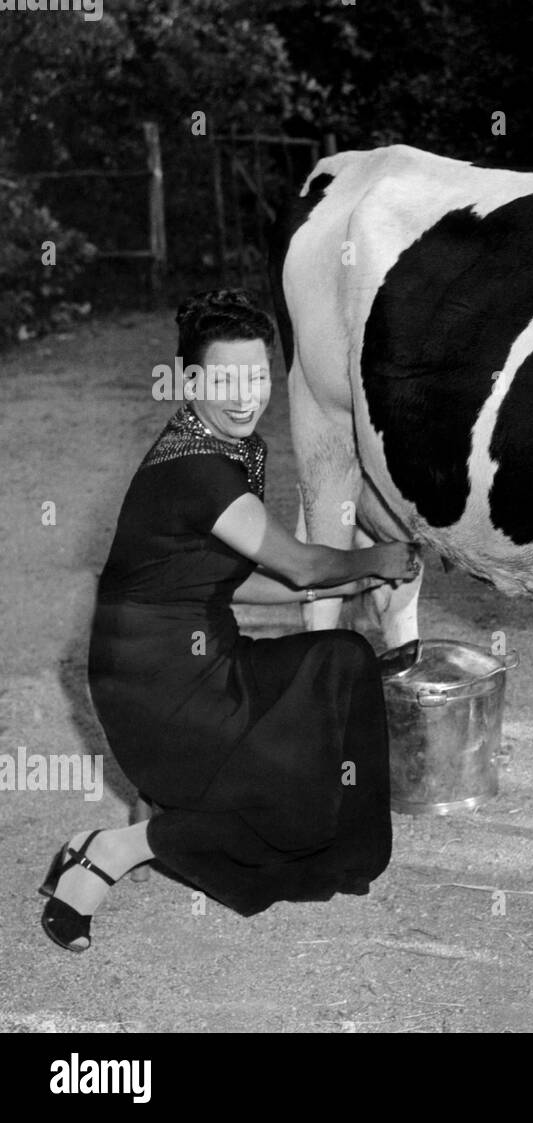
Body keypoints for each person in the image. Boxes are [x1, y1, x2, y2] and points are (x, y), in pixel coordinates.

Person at [40, 289, 418, 952]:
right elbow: (299, 566)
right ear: (190, 381)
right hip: (154, 689)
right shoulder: (201, 470)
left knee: (345, 660)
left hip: (201, 657)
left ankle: (343, 854)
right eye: (225, 380)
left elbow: (229, 581)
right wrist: (389, 551)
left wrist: (362, 578)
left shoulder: (219, 442)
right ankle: (115, 849)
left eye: (258, 376)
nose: (246, 396)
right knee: (289, 787)